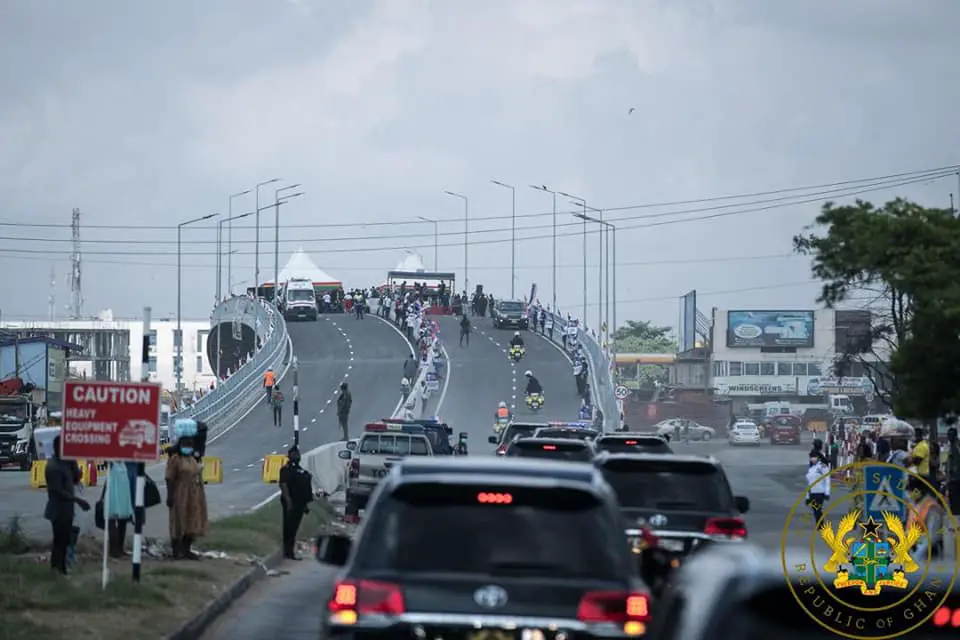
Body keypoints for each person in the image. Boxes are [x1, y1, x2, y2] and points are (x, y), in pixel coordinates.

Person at [44, 435, 90, 574]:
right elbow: (58, 491)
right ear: (57, 448)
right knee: (60, 540)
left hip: (68, 509)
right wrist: (79, 501)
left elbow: (75, 478)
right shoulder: (53, 466)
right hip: (58, 509)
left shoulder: (66, 462)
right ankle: (59, 568)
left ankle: (58, 568)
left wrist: (74, 465)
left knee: (64, 540)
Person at [165, 419, 209, 560]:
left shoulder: (192, 459)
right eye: (186, 443)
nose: (189, 446)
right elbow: (169, 478)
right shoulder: (175, 459)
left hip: (194, 495)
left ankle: (187, 549)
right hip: (180, 494)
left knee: (192, 520)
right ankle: (176, 551)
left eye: (191, 443)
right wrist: (170, 495)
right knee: (178, 521)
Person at [278, 446, 313, 560]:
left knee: (294, 528)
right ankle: (288, 552)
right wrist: (288, 502)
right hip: (291, 503)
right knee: (289, 528)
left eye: (297, 454)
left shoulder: (300, 470)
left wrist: (305, 505)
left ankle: (290, 551)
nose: (297, 456)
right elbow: (283, 485)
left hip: (300, 503)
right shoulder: (286, 469)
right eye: (294, 454)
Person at [105, 461, 134, 558]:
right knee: (112, 523)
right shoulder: (111, 463)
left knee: (123, 523)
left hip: (123, 495)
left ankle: (120, 549)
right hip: (114, 494)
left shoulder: (123, 463)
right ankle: (113, 551)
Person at [805, 454, 831, 526]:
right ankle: (820, 523)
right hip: (812, 492)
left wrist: (827, 492)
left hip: (820, 491)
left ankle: (820, 525)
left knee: (817, 509)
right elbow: (809, 483)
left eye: (814, 457)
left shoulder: (823, 467)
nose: (812, 459)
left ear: (818, 458)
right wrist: (807, 497)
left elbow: (827, 480)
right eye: (811, 458)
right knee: (814, 509)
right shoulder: (811, 468)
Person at [946, 427, 960, 527]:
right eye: (948, 434)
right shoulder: (951, 446)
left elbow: (956, 462)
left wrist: (954, 471)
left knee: (955, 504)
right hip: (952, 480)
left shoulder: (956, 445)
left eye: (951, 434)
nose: (949, 436)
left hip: (956, 480)